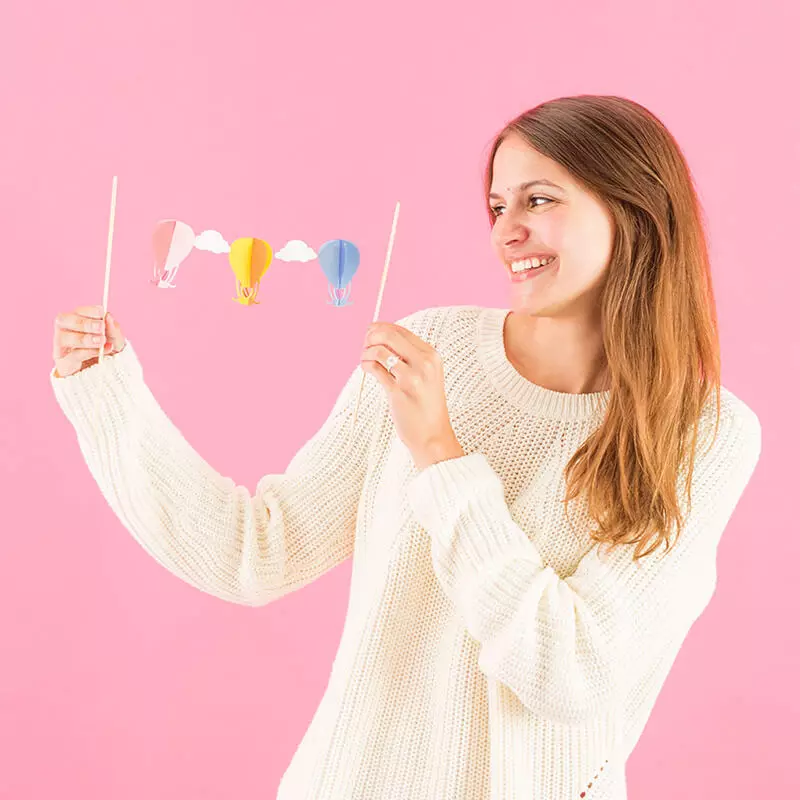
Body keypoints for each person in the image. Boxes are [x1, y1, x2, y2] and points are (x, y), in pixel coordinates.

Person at [50, 95, 762, 800]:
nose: (506, 232)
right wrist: (108, 399)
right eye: (496, 207)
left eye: (539, 200)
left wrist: (441, 454)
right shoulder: (434, 349)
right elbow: (256, 553)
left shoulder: (703, 433)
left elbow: (568, 671)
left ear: (634, 213)